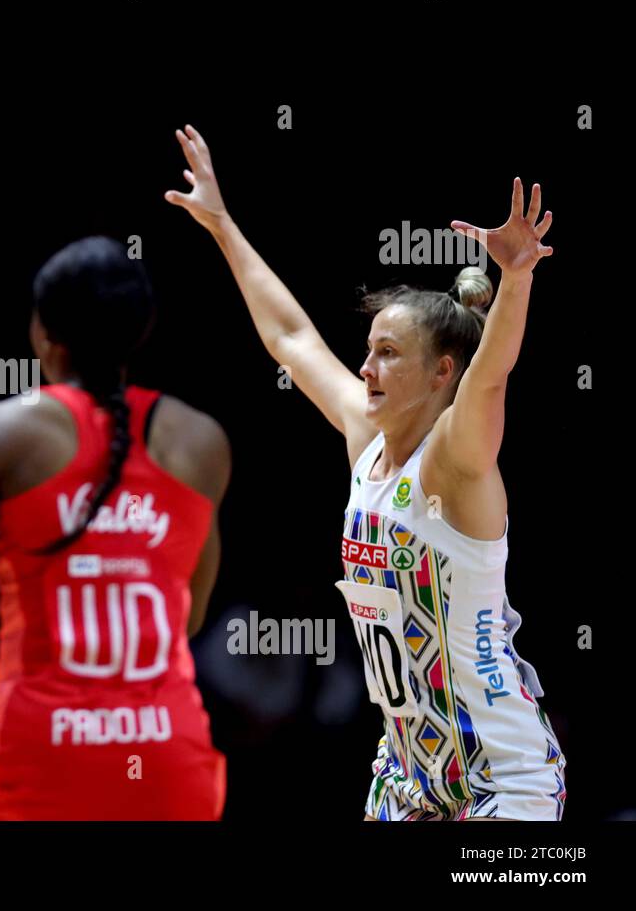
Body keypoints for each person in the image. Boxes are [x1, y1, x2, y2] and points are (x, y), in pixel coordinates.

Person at [164, 124, 565, 820]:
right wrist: (223, 226)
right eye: (368, 350)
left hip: (501, 779)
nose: (365, 369)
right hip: (406, 778)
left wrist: (516, 280)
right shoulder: (366, 439)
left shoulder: (455, 461)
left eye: (387, 353)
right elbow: (290, 338)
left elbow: (492, 377)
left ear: (442, 372)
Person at [0, 235, 229, 819]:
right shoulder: (202, 441)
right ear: (140, 329)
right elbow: (189, 618)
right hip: (168, 767)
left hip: (42, 763)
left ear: (43, 334)